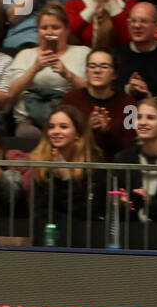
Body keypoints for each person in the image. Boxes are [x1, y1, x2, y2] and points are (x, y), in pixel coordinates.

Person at [5, 1, 90, 141]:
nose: (49, 32)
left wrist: (68, 75)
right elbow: (11, 94)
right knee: (27, 134)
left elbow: (92, 93)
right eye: (44, 28)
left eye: (56, 27)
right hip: (30, 122)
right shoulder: (25, 55)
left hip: (70, 122)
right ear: (38, 31)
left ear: (67, 30)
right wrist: (34, 69)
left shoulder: (82, 53)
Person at [28, 105, 105, 246]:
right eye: (51, 127)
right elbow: (40, 208)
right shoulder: (40, 160)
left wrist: (66, 178)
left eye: (63, 127)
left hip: (82, 234)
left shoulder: (93, 162)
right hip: (49, 232)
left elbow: (87, 211)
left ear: (77, 133)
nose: (55, 132)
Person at [112, 97, 157, 245]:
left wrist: (150, 202)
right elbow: (115, 208)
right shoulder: (123, 158)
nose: (142, 122)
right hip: (130, 237)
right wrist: (121, 203)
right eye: (139, 117)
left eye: (150, 117)